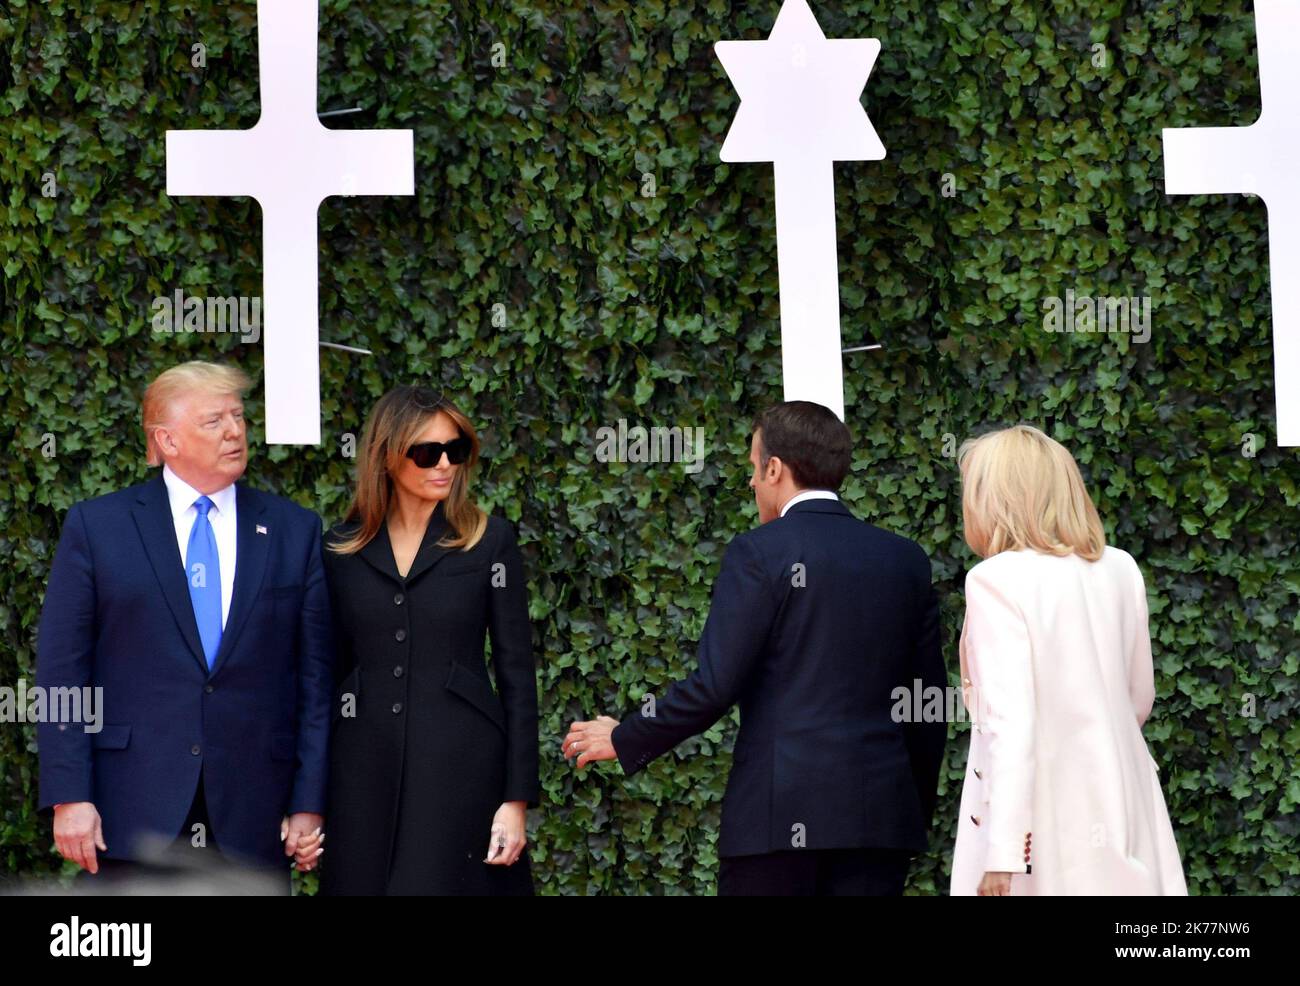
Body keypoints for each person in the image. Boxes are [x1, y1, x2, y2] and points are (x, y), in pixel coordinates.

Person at [563, 400, 947, 895]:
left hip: (774, 824)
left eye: (752, 469)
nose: (750, 484)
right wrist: (906, 812)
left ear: (774, 468)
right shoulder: (905, 561)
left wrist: (625, 736)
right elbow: (926, 706)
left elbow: (716, 684)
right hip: (876, 826)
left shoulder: (759, 552)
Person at [35, 361, 333, 892]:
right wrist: (69, 795)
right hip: (128, 812)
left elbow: (315, 679)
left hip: (251, 814)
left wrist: (308, 801)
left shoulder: (294, 530)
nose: (235, 431)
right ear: (167, 439)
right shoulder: (98, 526)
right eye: (214, 420)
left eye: (238, 416)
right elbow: (62, 672)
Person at [315, 385, 539, 895]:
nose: (444, 464)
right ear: (387, 456)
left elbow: (517, 677)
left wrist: (515, 799)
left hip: (462, 772)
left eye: (455, 450)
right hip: (362, 777)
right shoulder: (340, 549)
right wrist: (308, 800)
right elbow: (323, 677)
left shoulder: (490, 541)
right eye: (427, 452)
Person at [949, 424, 1188, 896]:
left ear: (996, 497)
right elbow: (1139, 699)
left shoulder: (995, 579)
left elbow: (1010, 724)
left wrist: (1004, 853)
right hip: (1125, 797)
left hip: (1041, 823)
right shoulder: (1120, 568)